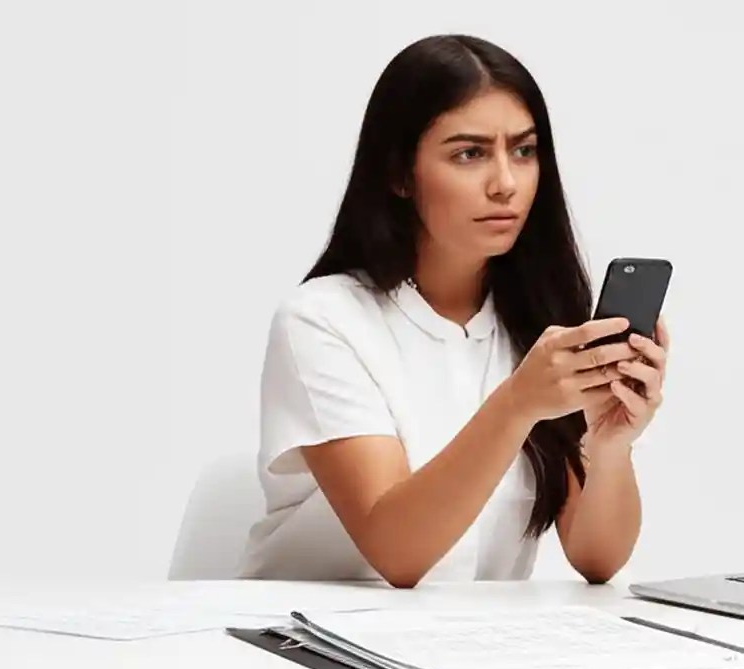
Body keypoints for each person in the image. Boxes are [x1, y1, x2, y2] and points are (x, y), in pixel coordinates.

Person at [237, 34, 669, 588]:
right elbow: (397, 552)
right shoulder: (322, 320)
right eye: (469, 154)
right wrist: (517, 405)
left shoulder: (541, 320)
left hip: (464, 652)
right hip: (308, 643)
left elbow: (597, 558)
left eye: (524, 150)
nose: (506, 184)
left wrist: (609, 448)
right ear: (398, 174)